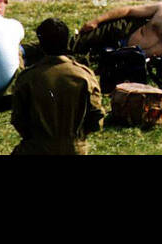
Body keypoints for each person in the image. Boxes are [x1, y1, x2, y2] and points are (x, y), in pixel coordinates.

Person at [11, 18, 105, 155]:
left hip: (36, 149)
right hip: (74, 149)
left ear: (41, 44)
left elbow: (18, 120)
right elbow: (96, 118)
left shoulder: (28, 78)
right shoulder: (85, 76)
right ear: (67, 42)